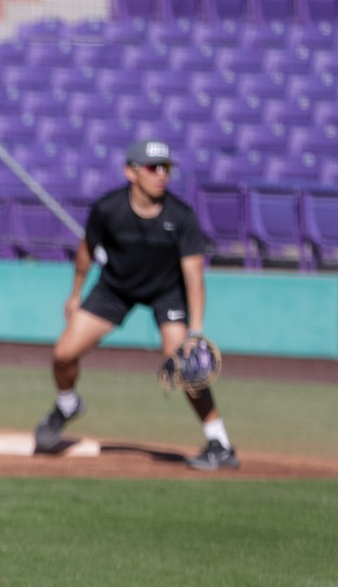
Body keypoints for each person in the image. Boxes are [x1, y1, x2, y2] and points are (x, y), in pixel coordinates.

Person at [34, 139, 238, 471]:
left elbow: (194, 275)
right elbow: (87, 250)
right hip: (116, 288)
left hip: (166, 292)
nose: (161, 175)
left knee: (187, 366)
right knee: (63, 354)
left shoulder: (181, 216)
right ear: (130, 172)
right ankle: (67, 405)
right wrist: (75, 294)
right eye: (152, 168)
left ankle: (220, 443)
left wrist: (196, 331)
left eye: (166, 168)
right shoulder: (108, 209)